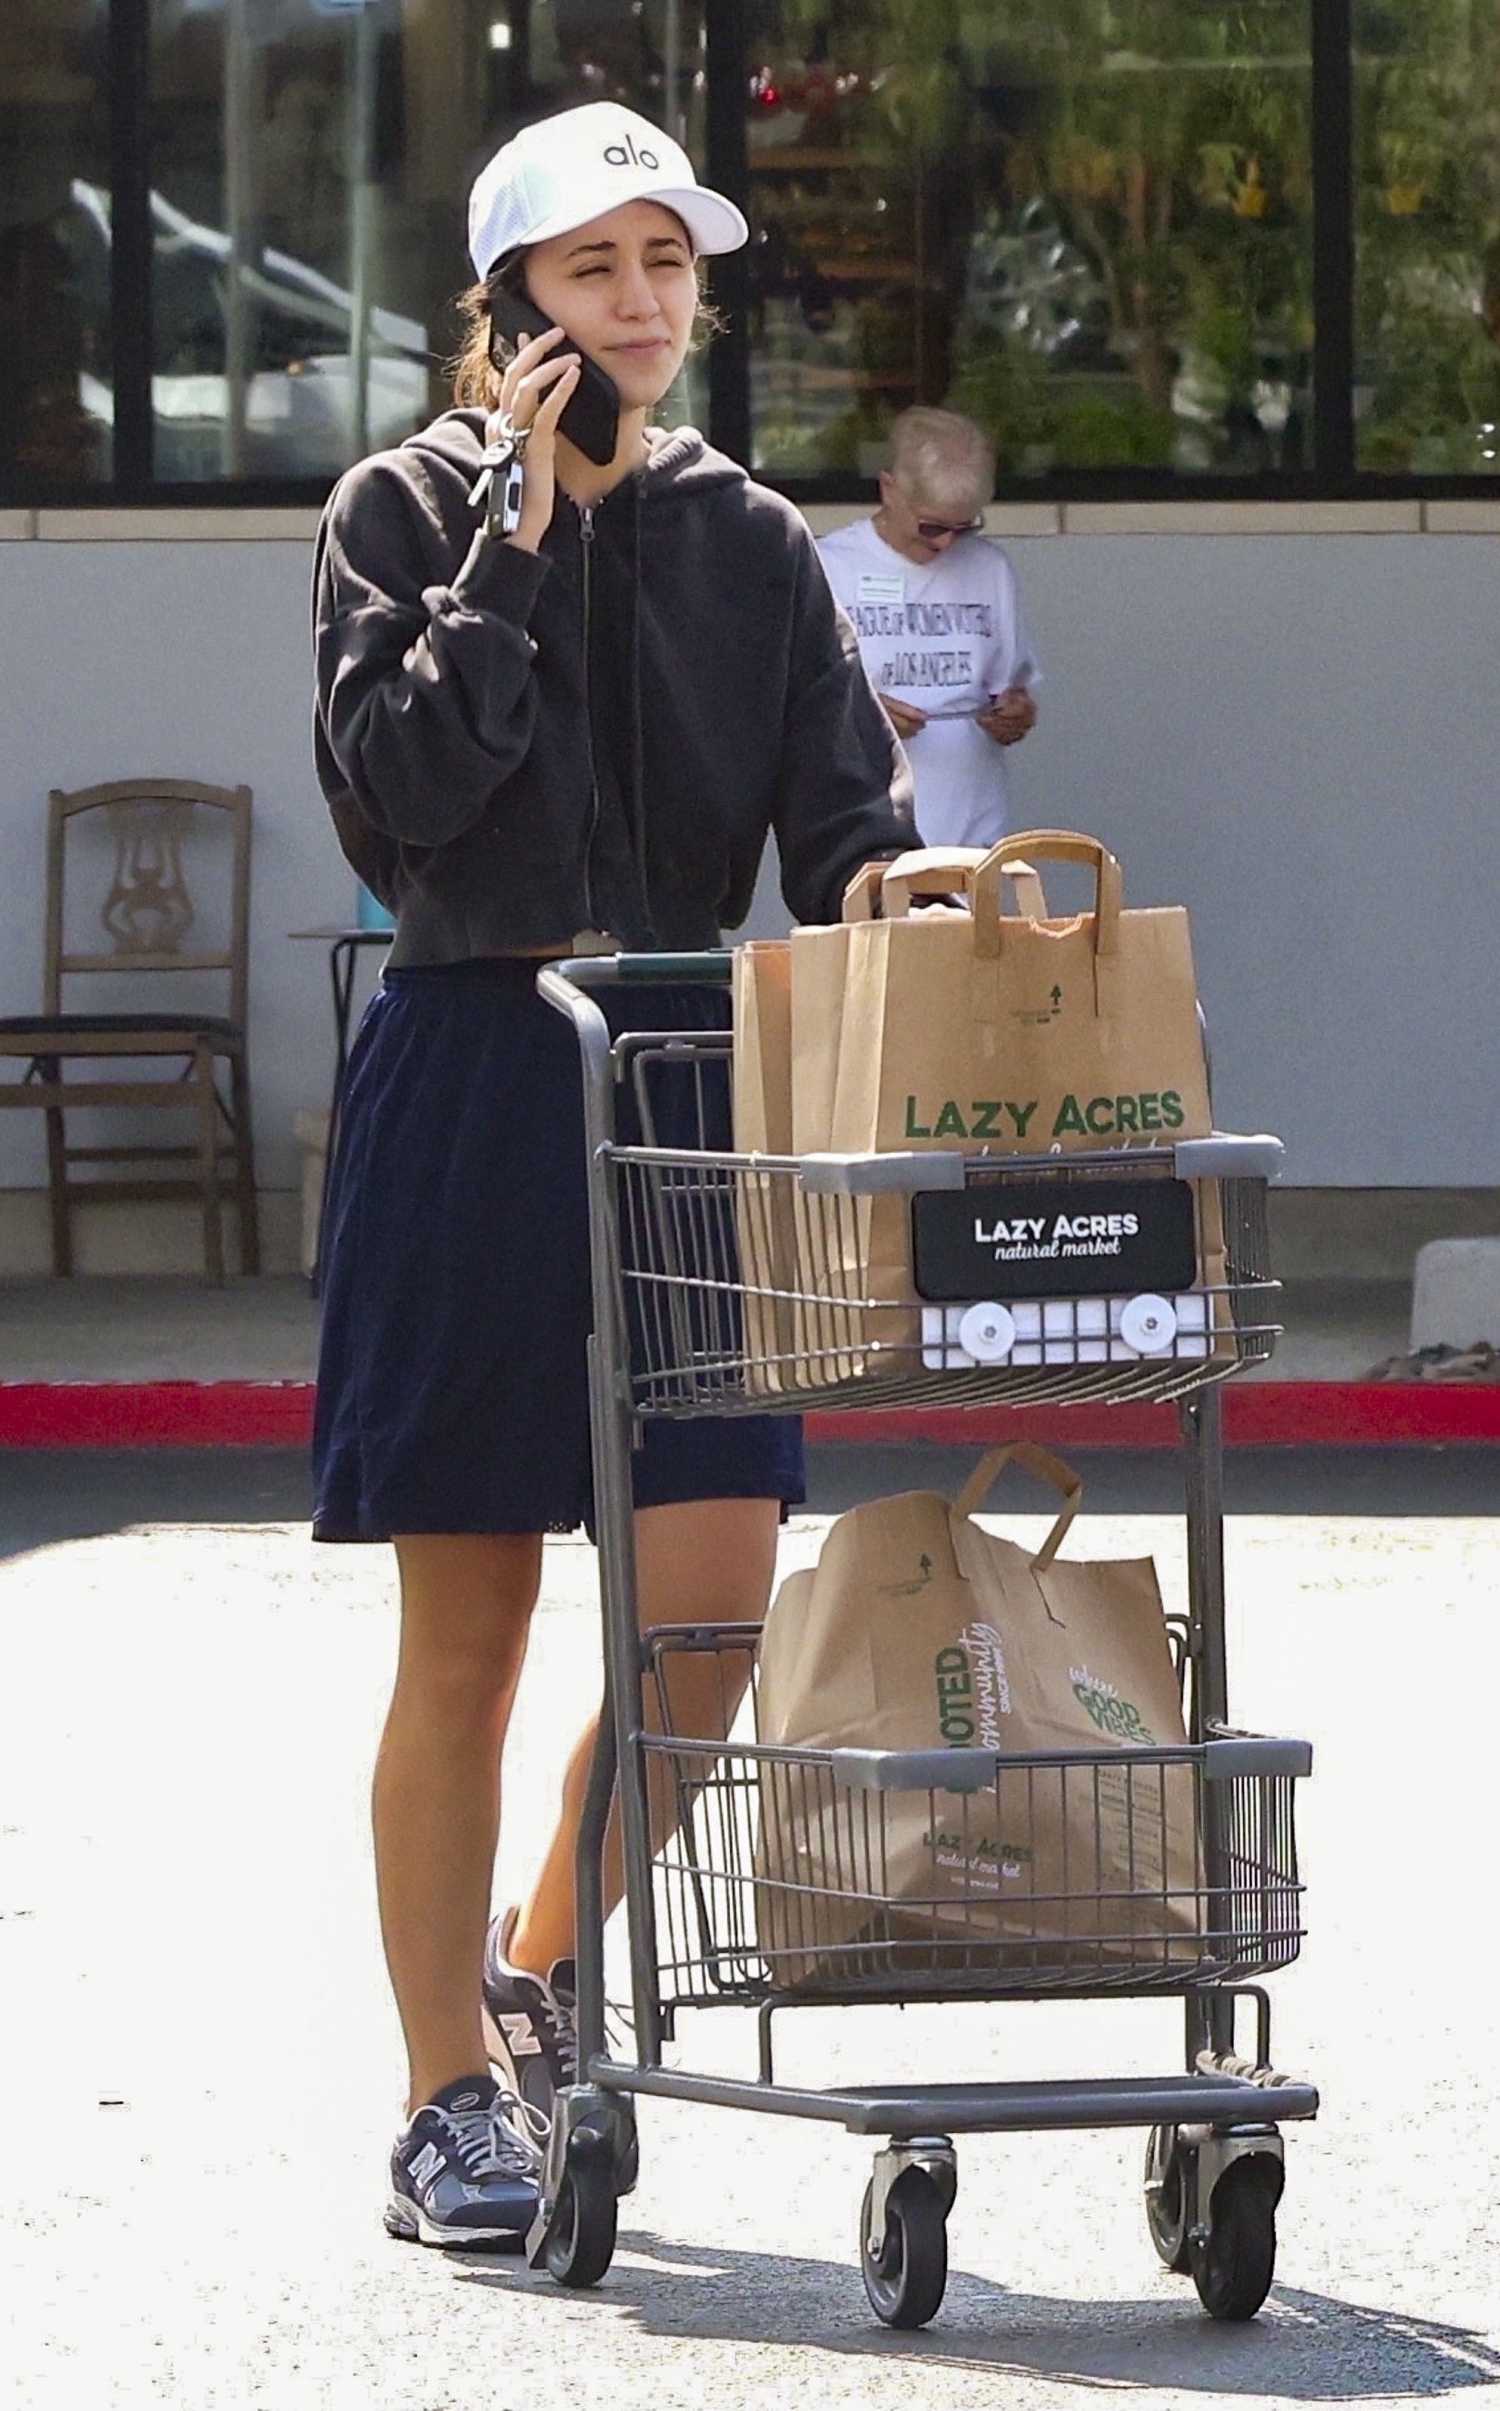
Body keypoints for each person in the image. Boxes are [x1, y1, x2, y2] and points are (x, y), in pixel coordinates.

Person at [310, 100, 914, 2253]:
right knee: (463, 1629)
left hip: (684, 1078)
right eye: (594, 269)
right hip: (475, 1061)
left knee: (708, 1612)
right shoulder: (395, 509)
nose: (644, 304)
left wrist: (914, 897)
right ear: (509, 314)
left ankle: (542, 1956)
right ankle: (438, 2094)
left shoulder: (755, 537)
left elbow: (848, 822)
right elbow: (400, 795)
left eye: (668, 265)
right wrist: (519, 536)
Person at [816, 406, 1041, 850]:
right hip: (863, 832)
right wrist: (865, 714)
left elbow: (1013, 689)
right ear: (889, 490)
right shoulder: (829, 566)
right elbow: (794, 707)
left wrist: (1017, 713)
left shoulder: (989, 568)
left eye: (964, 527)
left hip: (973, 826)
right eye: (932, 526)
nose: (945, 543)